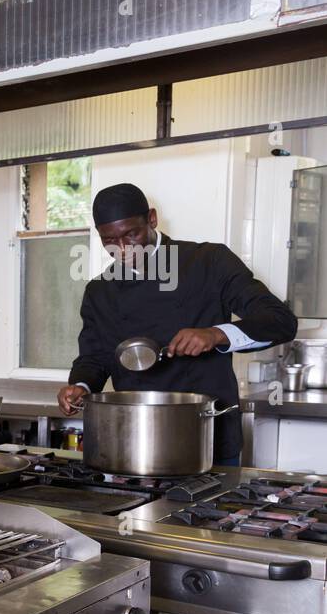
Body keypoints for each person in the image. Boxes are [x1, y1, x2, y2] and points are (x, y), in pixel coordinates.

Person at [56, 182, 298, 466]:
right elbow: (94, 357)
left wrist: (217, 334)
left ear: (152, 219)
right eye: (109, 240)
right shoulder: (100, 291)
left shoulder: (209, 262)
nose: (122, 249)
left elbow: (281, 321)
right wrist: (81, 385)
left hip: (208, 437)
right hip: (137, 440)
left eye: (131, 234)